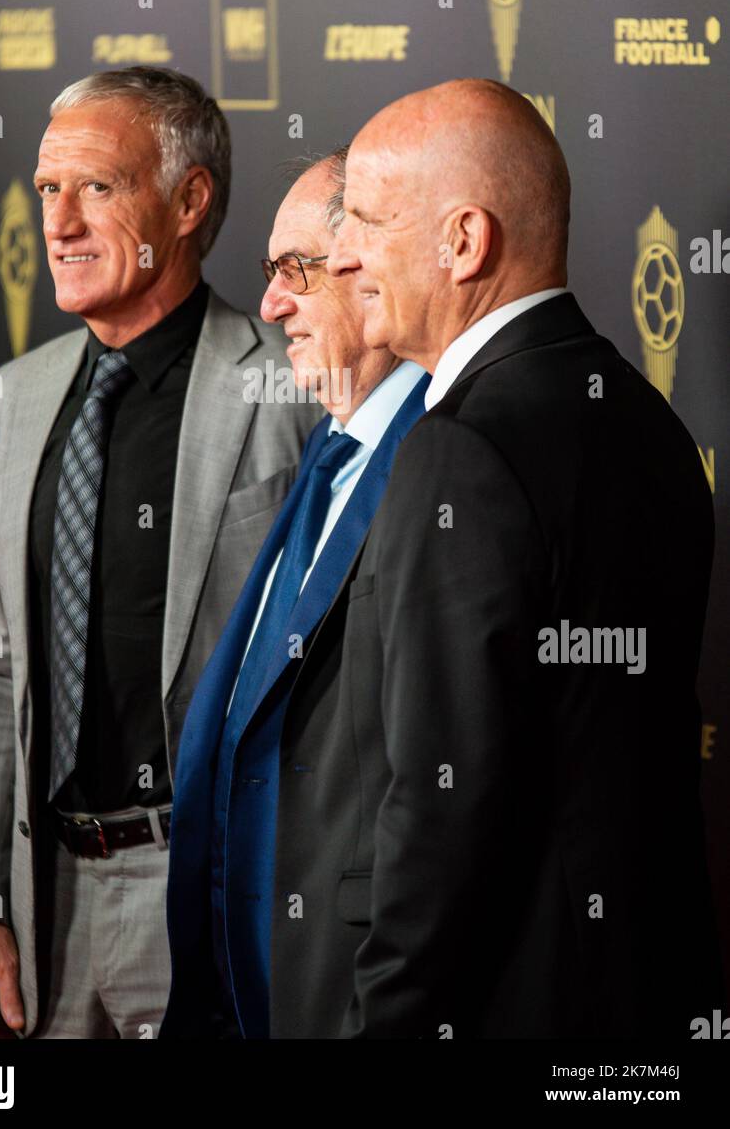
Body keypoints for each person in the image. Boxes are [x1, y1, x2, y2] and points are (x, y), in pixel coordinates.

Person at [258, 77, 721, 1037]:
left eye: (369, 224)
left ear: (463, 243)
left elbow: (441, 818)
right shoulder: (650, 424)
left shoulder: (459, 447)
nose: (340, 256)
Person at [0, 66, 321, 1039]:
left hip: (212, 882)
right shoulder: (12, 400)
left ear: (189, 202)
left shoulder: (294, 384)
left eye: (96, 188)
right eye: (45, 190)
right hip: (40, 895)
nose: (57, 222)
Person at [160, 149, 429, 1038]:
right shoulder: (324, 443)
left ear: (369, 272)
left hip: (348, 986)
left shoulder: (443, 465)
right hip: (240, 978)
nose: (270, 305)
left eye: (294, 272)